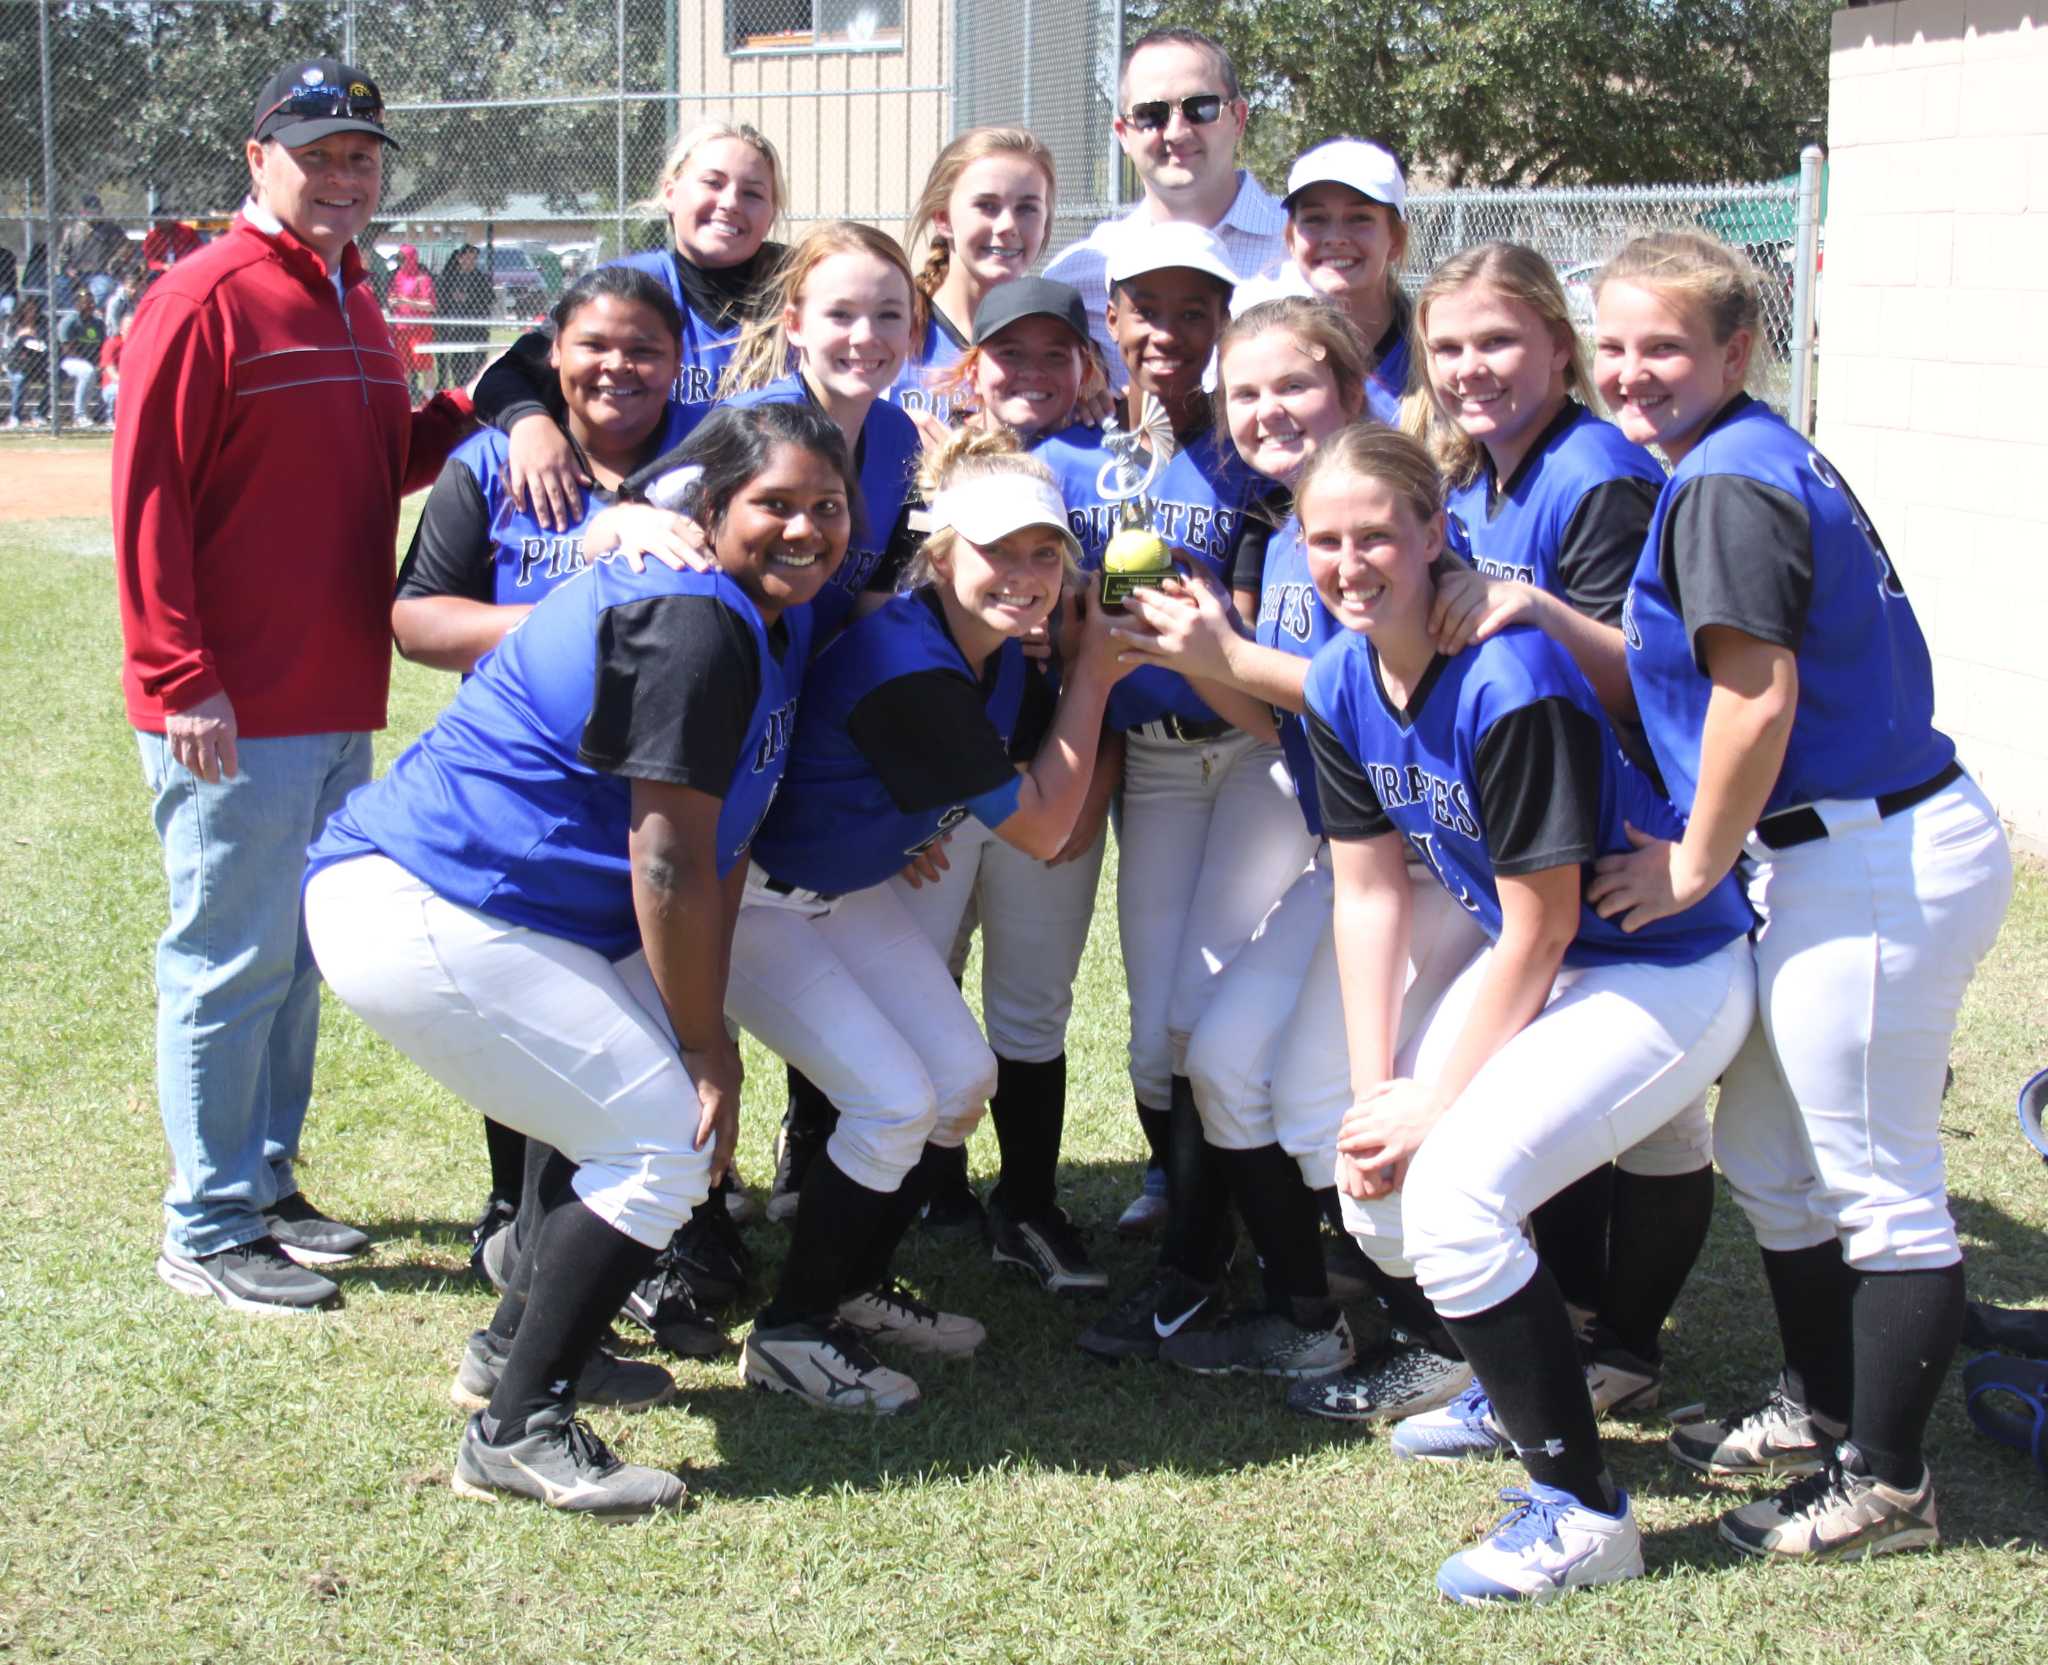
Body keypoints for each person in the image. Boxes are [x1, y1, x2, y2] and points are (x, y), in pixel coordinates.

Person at [303, 400, 847, 1512]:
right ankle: (516, 1430)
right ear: (708, 507)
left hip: (486, 902)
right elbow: (665, 862)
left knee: (605, 1110)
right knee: (658, 1137)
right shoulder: (695, 615)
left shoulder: (748, 606)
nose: (804, 529)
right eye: (774, 505)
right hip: (431, 902)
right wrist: (708, 1049)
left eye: (827, 507)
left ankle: (516, 1349)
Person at [1588, 231, 2014, 1561]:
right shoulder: (1737, 456)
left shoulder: (1724, 481)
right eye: (1612, 346)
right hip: (1837, 847)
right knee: (1774, 1156)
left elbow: (1756, 700)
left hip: (1867, 852)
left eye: (1664, 346)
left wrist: (1693, 862)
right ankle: (1826, 1406)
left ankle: (1888, 1484)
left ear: (1735, 351)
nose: (1632, 372)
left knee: (1883, 1185)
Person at [1296, 424, 1756, 1602]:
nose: (1349, 564)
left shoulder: (1509, 677)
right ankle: (1567, 1374)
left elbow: (1542, 925)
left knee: (1450, 1206)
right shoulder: (1342, 671)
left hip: (1658, 966)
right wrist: (1375, 1090)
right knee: (1382, 1206)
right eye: (1322, 540)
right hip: (1561, 967)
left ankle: (1582, 1511)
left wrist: (1435, 1104)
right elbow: (1364, 893)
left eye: (1375, 536)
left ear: (1432, 535)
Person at [113, 56, 474, 1313]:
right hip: (231, 702)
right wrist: (178, 675)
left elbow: (386, 461)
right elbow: (148, 499)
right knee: (227, 957)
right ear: (257, 158)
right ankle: (204, 1223)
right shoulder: (204, 295)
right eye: (317, 152)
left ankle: (262, 1182)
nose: (342, 174)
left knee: (294, 952)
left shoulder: (351, 294)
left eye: (361, 156)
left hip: (331, 690)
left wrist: (483, 407)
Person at [729, 432, 1128, 1411]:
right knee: (896, 1103)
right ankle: (789, 1332)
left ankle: (849, 1287)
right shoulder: (916, 654)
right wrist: (1094, 677)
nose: (1025, 575)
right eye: (997, 551)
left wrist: (920, 812)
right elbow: (1039, 830)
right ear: (939, 551)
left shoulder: (979, 649)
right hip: (755, 907)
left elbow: (937, 776)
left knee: (958, 1082)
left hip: (843, 892)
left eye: (1044, 553)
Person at [1397, 239, 1687, 1376]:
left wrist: (1533, 608)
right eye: (1449, 346)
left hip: (1626, 823)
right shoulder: (1476, 471)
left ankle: (1618, 1338)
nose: (1472, 368)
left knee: (1662, 1115)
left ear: (1558, 347)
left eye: (1498, 341)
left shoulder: (1593, 470)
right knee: (1593, 1095)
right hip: (1538, 824)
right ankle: (1584, 1322)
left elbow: (1639, 674)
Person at [1082, 295, 1375, 1366]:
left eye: (1293, 384)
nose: (1267, 409)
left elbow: (1374, 695)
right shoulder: (1276, 521)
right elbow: (1280, 711)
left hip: (1393, 857)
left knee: (1257, 1067)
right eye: (1243, 393)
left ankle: (1229, 1281)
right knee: (1199, 1046)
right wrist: (1195, 655)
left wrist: (1223, 656)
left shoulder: (1368, 512)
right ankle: (1254, 1287)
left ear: (1350, 390)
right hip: (1335, 828)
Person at [476, 119, 788, 529]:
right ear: (671, 192)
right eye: (713, 183)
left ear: (771, 214)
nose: (731, 202)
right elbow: (504, 377)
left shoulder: (800, 295)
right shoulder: (625, 289)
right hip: (633, 522)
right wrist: (530, 424)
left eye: (752, 193)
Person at [1043, 27, 1284, 389]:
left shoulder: (1304, 248)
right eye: (1151, 114)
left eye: (1199, 108)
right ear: (1123, 133)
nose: (1176, 132)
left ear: (1239, 118)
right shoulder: (1079, 275)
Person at [894, 127, 1057, 420]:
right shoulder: (895, 330)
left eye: (1027, 208)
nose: (1008, 225)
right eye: (987, 206)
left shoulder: (1059, 345)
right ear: (943, 218)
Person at [1233, 137, 1412, 404]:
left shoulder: (1435, 357)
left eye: (1359, 218)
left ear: (1396, 239)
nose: (1335, 237)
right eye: (1315, 219)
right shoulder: (1261, 353)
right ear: (1291, 239)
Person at [435, 244, 494, 386]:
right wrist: (453, 298)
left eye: (474, 259)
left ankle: (478, 387)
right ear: (460, 259)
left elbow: (489, 299)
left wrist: (469, 299)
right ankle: (459, 386)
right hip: (456, 327)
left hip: (476, 325)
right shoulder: (450, 277)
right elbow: (441, 298)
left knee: (479, 361)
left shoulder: (480, 278)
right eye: (467, 258)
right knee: (458, 359)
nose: (471, 262)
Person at [388, 243, 436, 400]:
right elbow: (392, 298)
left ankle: (428, 397)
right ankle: (404, 397)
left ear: (412, 259)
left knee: (425, 364)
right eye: (399, 259)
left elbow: (430, 306)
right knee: (403, 366)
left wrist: (407, 302)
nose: (401, 263)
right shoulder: (396, 277)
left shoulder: (423, 279)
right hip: (401, 328)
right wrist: (393, 302)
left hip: (420, 328)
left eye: (404, 259)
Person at [58, 287, 109, 425]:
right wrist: (90, 363)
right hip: (68, 361)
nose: (90, 305)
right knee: (87, 371)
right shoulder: (69, 321)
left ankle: (102, 415)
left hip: (92, 362)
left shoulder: (97, 323)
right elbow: (67, 349)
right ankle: (79, 415)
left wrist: (101, 363)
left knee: (95, 371)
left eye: (91, 302)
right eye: (86, 302)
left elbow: (103, 347)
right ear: (78, 304)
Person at [5, 297, 49, 427]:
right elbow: (9, 347)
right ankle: (15, 416)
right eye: (27, 309)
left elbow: (44, 346)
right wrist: (20, 336)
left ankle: (39, 414)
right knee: (19, 379)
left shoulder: (42, 324)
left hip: (37, 365)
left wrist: (34, 336)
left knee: (56, 377)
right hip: (17, 365)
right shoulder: (14, 325)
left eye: (33, 309)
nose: (31, 312)